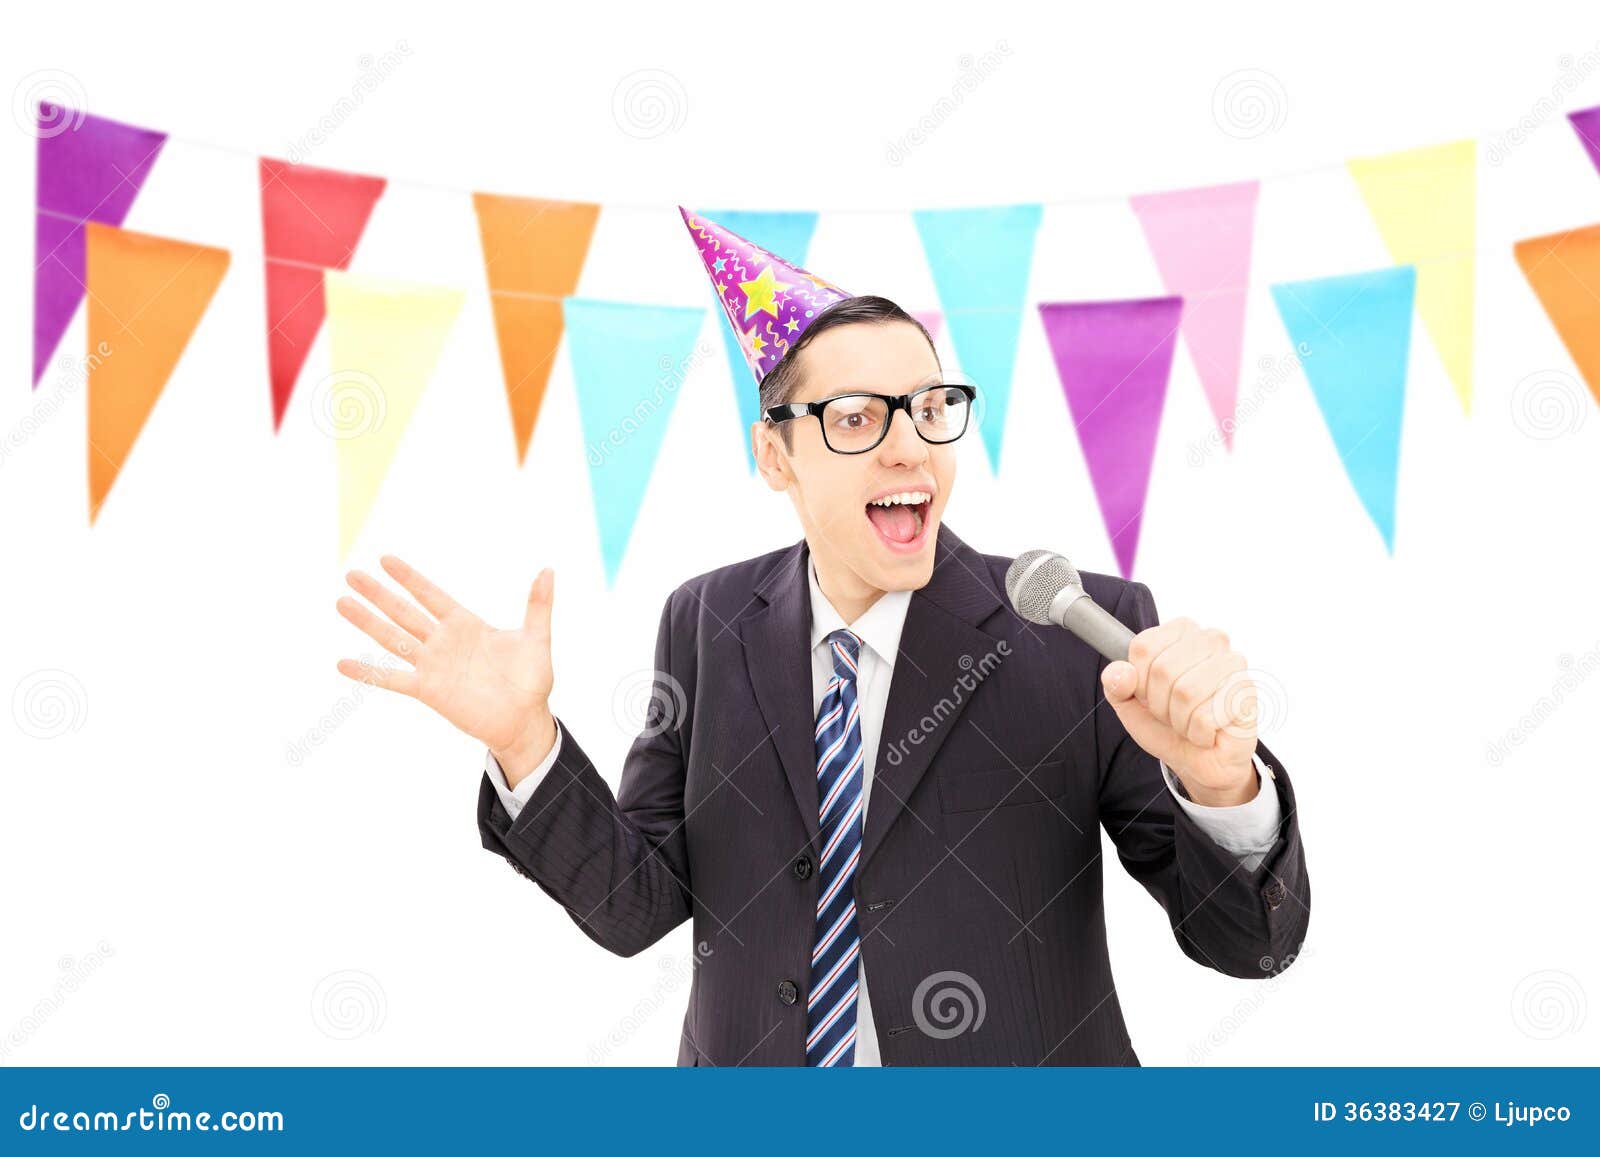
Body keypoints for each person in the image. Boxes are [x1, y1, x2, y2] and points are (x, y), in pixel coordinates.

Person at [334, 209, 1310, 1066]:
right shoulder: (706, 622)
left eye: (931, 408)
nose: (908, 444)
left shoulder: (1074, 631)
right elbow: (636, 907)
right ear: (775, 456)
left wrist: (1223, 787)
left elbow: (1245, 946)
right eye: (855, 417)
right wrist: (522, 741)